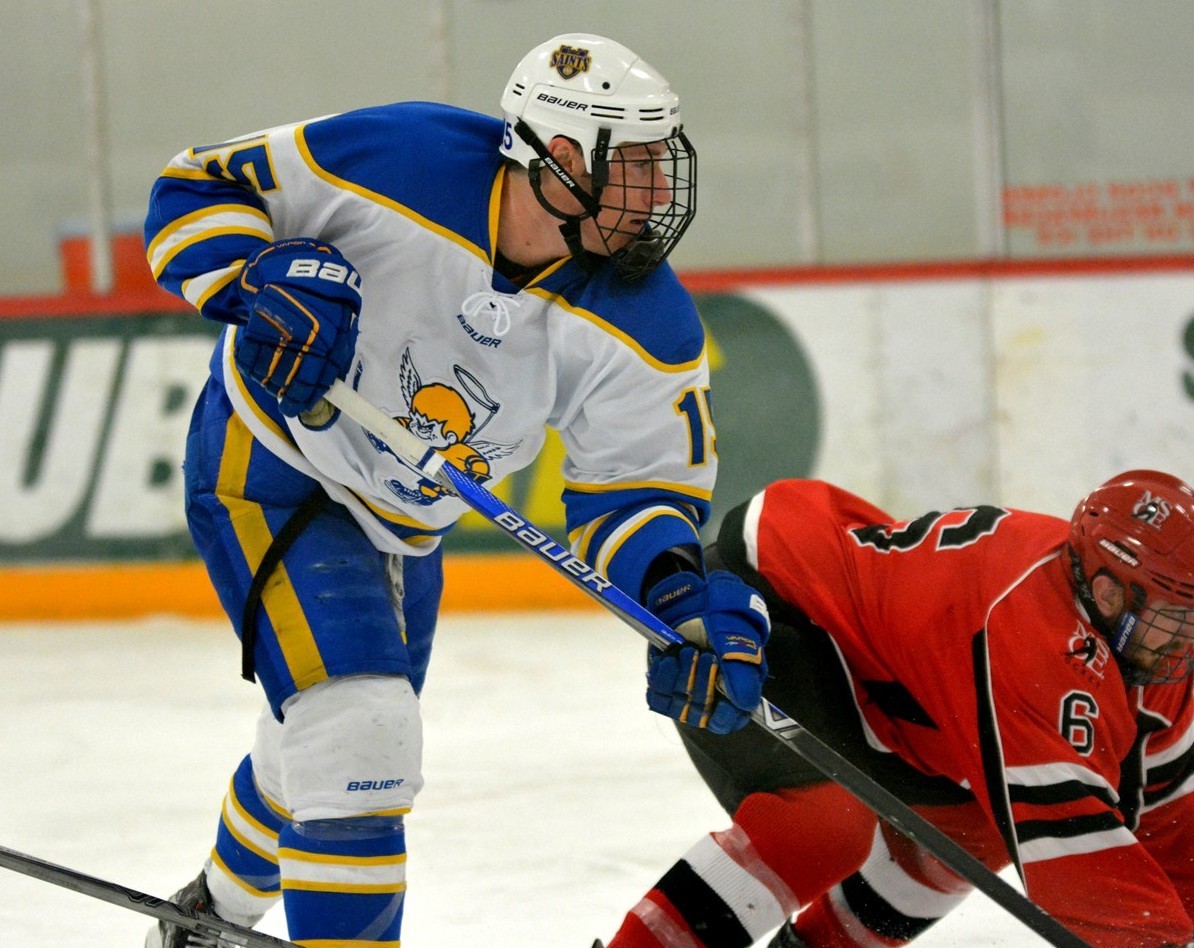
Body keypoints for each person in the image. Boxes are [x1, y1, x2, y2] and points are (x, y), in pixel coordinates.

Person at [141, 33, 770, 947]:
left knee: (314, 744)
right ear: (558, 161)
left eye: (659, 162)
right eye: (633, 164)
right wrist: (257, 278)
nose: (659, 193)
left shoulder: (647, 318)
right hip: (269, 465)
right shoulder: (400, 160)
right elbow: (198, 185)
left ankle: (212, 915)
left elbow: (633, 496)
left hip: (404, 523)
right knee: (359, 735)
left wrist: (678, 592)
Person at [599, 471, 1194, 948]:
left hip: (884, 676)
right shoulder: (1034, 635)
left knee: (972, 832)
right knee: (823, 824)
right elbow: (1075, 861)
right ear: (1111, 589)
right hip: (772, 598)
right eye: (1175, 618)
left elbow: (1174, 830)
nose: (1185, 641)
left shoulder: (1146, 652)